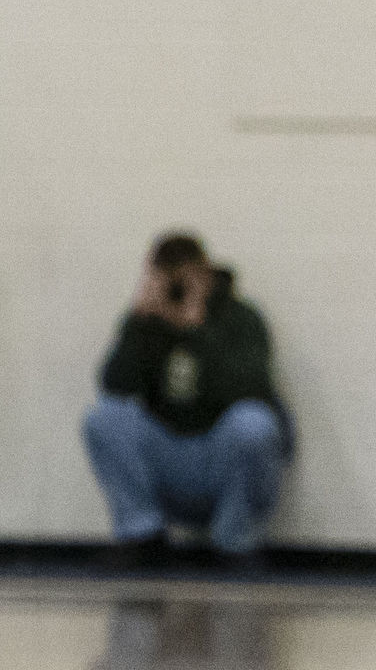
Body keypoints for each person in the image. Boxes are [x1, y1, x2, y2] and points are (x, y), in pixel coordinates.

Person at [83, 232, 288, 561]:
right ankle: (141, 535)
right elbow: (115, 384)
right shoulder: (146, 322)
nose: (176, 288)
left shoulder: (241, 318)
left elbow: (252, 389)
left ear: (206, 273)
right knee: (104, 417)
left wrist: (197, 329)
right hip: (169, 458)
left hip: (219, 457)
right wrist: (141, 322)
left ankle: (235, 544)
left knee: (255, 424)